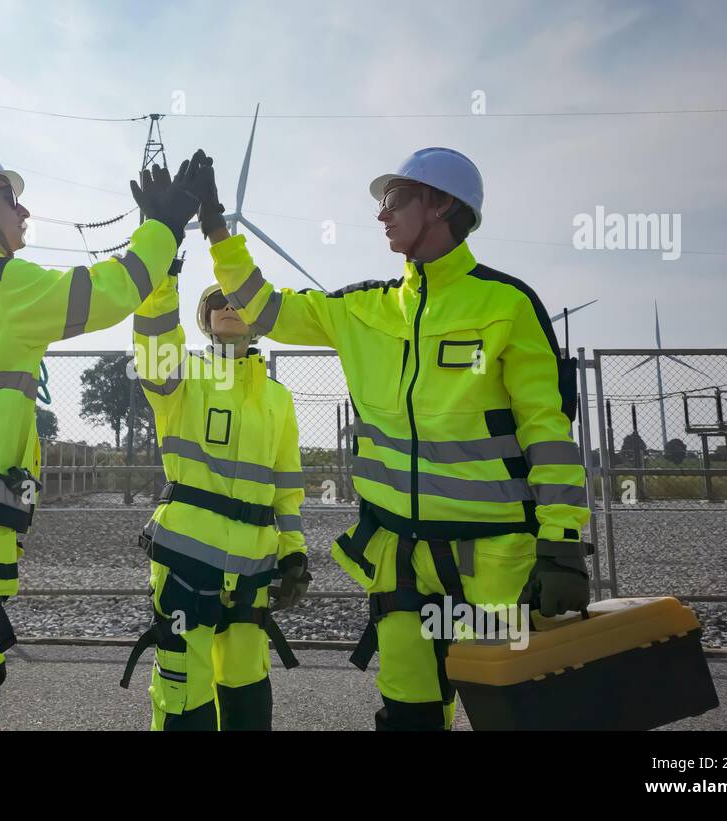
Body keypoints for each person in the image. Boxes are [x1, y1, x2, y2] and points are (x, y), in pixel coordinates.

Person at [199, 147, 591, 730]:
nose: (381, 215)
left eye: (393, 200)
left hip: (494, 560)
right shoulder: (361, 308)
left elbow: (548, 432)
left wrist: (562, 541)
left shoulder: (507, 305)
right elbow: (263, 306)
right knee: (410, 716)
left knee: (509, 714)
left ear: (440, 204)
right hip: (400, 560)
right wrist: (215, 227)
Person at [0, 143, 203, 730]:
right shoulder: (0, 282)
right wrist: (162, 228)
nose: (24, 211)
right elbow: (114, 289)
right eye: (12, 197)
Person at [119, 153, 310, 730]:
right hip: (186, 564)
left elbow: (287, 485)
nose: (229, 305)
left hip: (253, 569)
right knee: (184, 695)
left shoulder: (278, 399)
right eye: (217, 302)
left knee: (248, 694)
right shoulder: (181, 377)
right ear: (203, 321)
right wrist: (167, 258)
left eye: (236, 300)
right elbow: (154, 338)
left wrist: (295, 551)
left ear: (256, 317)